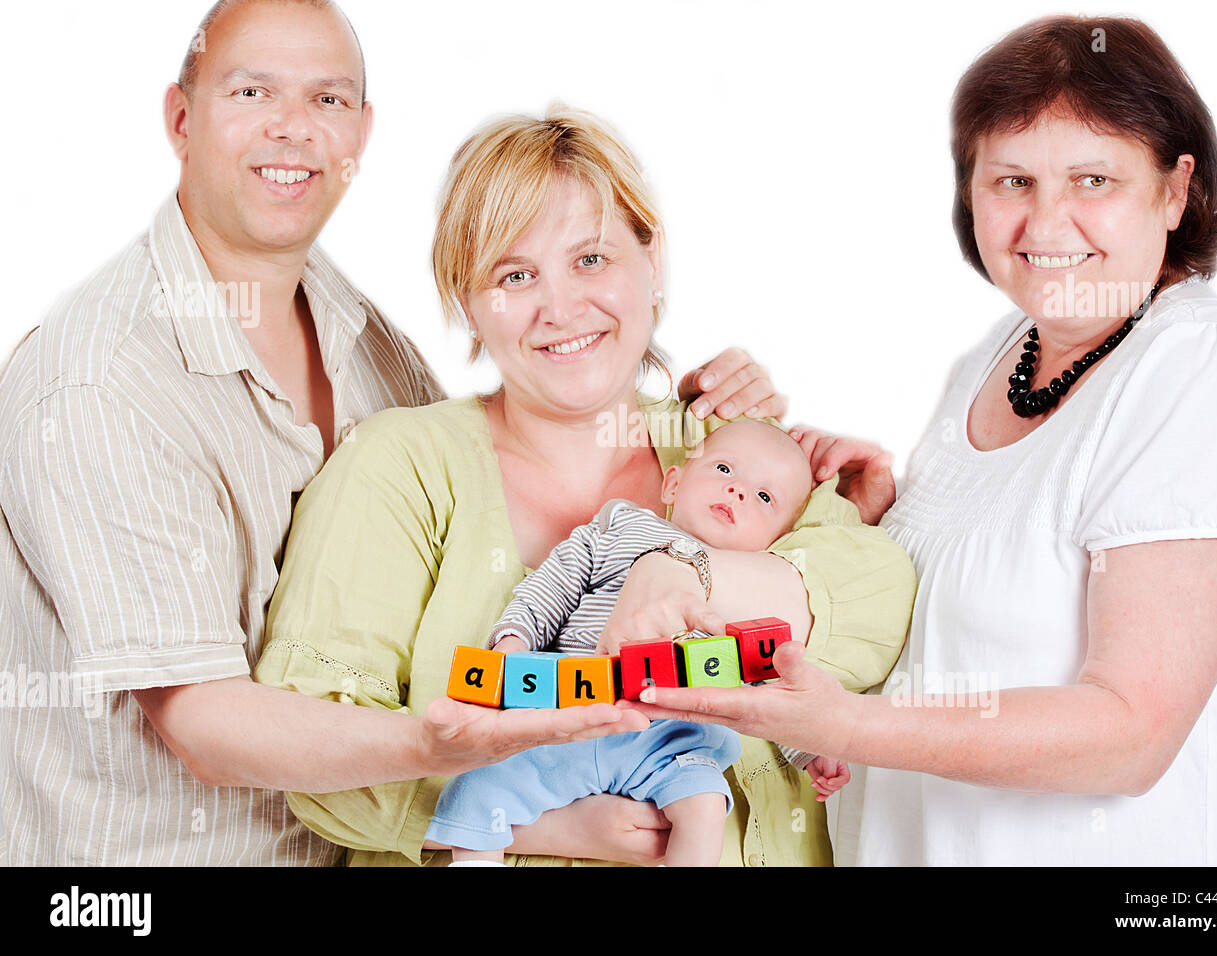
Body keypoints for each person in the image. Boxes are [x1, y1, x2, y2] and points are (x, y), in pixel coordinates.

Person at [0, 0, 765, 866]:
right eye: (253, 91)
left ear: (361, 134)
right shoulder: (102, 382)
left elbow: (515, 436)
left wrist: (713, 431)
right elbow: (201, 725)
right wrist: (470, 772)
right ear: (180, 118)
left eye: (328, 101)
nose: (293, 129)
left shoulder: (360, 337)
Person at [626, 15, 1217, 866]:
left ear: (1175, 190)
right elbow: (975, 627)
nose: (1047, 223)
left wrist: (841, 724)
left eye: (1094, 179)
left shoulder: (1204, 369)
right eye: (1011, 180)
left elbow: (1129, 731)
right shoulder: (996, 359)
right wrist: (877, 517)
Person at [254, 105, 916, 867]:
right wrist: (536, 823)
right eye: (514, 274)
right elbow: (305, 743)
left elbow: (876, 607)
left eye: (592, 259)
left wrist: (683, 572)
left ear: (652, 259)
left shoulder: (728, 445)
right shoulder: (402, 466)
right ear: (469, 303)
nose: (561, 308)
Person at [431, 420, 855, 867]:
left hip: (670, 742)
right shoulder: (621, 526)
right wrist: (513, 642)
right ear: (674, 484)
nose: (739, 492)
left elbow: (768, 689)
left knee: (706, 804)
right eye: (725, 469)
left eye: (765, 497)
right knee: (477, 785)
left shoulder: (745, 587)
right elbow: (552, 586)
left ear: (775, 540)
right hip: (565, 713)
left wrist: (807, 750)